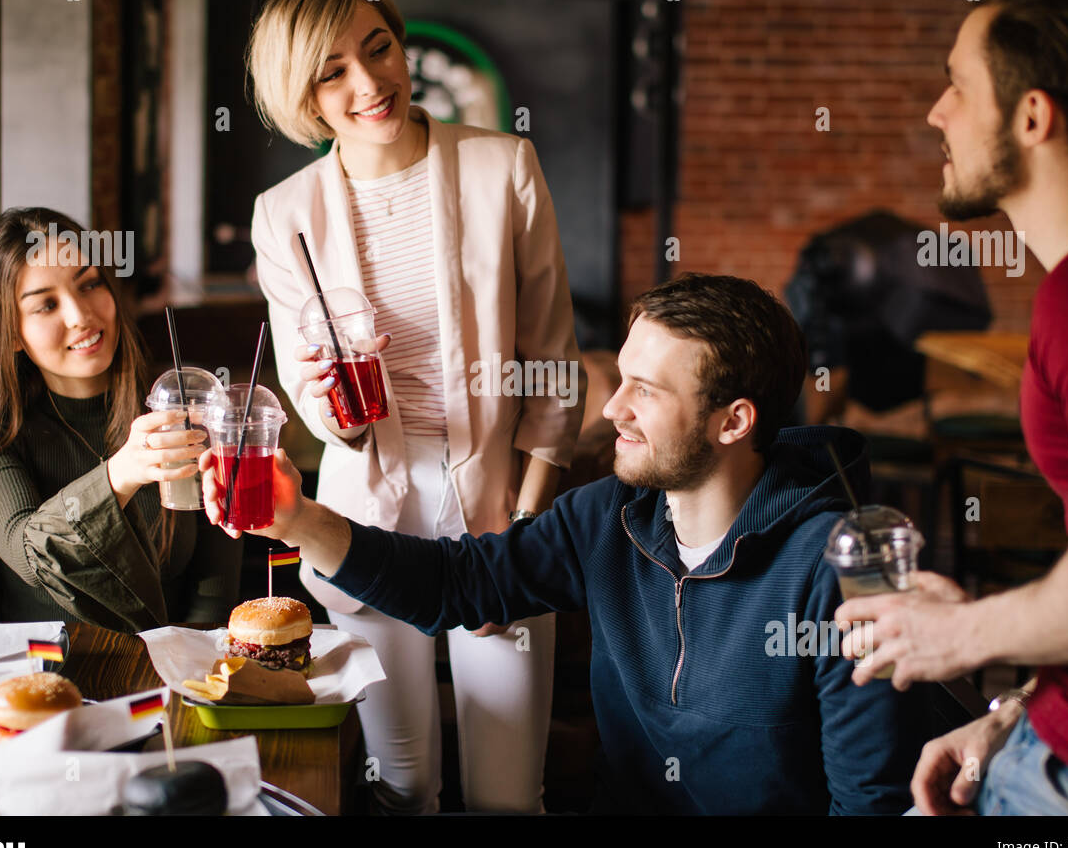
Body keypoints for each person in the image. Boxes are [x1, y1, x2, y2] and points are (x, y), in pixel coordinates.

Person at [200, 273, 929, 814]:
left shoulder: (845, 569)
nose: (611, 408)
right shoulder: (608, 517)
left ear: (733, 421)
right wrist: (296, 519)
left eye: (644, 390)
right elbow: (453, 585)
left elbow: (872, 801)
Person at [834, 0, 1068, 816]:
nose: (934, 112)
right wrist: (1015, 712)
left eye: (957, 85)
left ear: (1031, 116)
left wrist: (957, 633)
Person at [244, 0, 585, 814]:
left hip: (499, 510)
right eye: (333, 71)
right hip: (362, 524)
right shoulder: (284, 214)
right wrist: (334, 402)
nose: (370, 82)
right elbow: (311, 401)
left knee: (510, 795)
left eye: (379, 47)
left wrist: (526, 518)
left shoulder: (502, 167)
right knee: (404, 788)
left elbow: (551, 358)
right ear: (305, 95)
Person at [0, 207, 241, 630]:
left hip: (174, 679)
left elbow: (214, 587)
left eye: (90, 284)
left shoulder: (178, 415)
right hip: (51, 683)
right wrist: (120, 475)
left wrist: (185, 671)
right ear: (10, 332)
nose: (80, 316)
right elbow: (32, 555)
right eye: (45, 305)